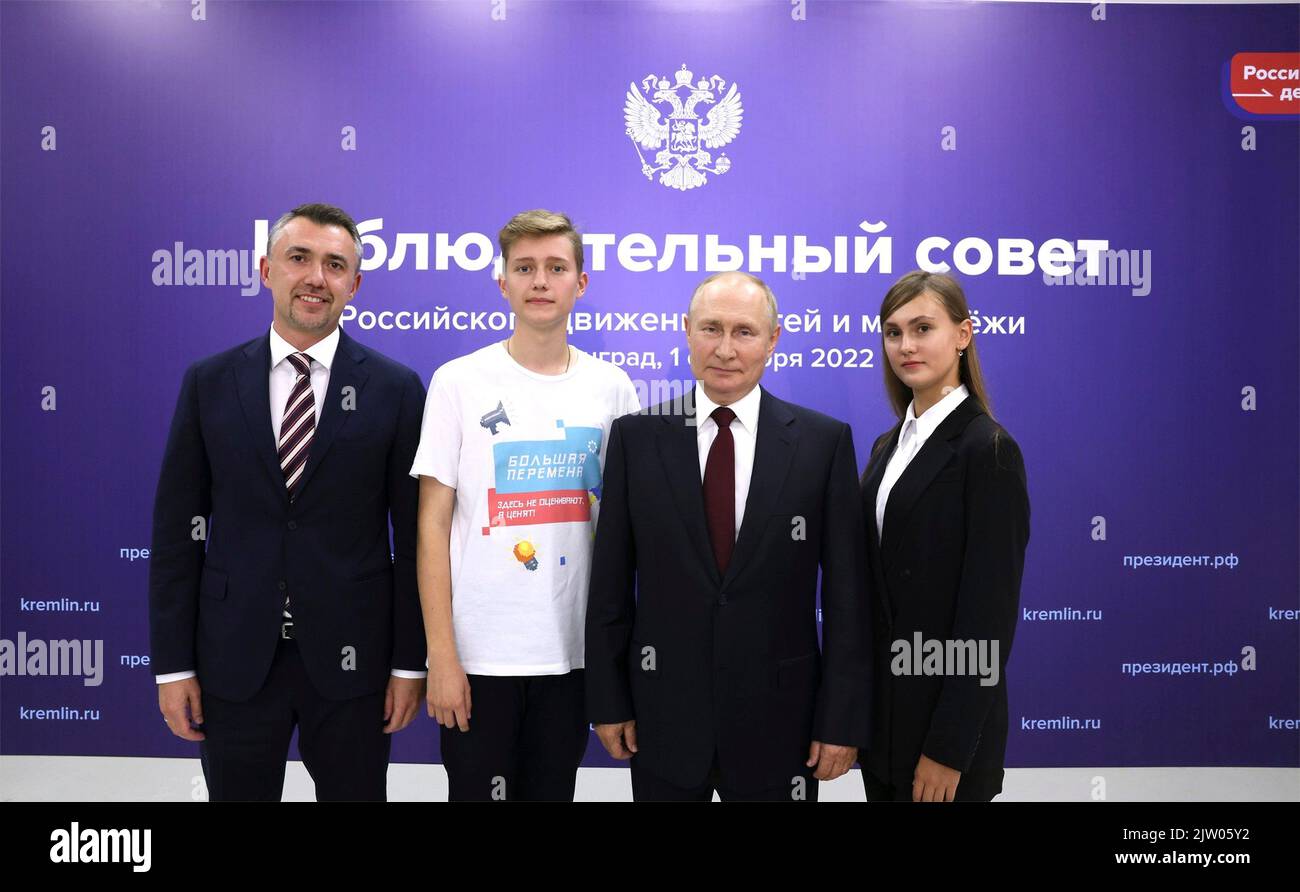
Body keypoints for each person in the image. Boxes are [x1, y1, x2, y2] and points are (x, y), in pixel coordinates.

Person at [149, 203, 428, 801]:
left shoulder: (396, 390)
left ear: (355, 284)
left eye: (335, 265)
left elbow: (415, 538)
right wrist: (174, 667)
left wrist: (410, 664)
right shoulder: (210, 382)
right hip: (234, 661)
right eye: (298, 258)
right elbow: (178, 532)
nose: (315, 278)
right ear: (265, 269)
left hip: (354, 666)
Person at [586, 271, 871, 802]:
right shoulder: (636, 438)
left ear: (773, 339)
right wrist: (608, 701)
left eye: (744, 332)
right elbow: (610, 587)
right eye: (710, 329)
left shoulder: (823, 443)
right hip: (662, 722)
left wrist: (841, 719)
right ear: (686, 331)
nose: (724, 349)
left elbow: (847, 599)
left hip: (783, 727)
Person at [412, 210, 640, 801]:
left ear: (580, 283)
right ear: (503, 283)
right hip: (478, 658)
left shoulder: (613, 388)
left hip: (570, 656)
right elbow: (431, 526)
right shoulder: (457, 382)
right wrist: (442, 655)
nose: (540, 281)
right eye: (525, 268)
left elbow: (624, 533)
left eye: (556, 267)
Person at [859, 270, 1030, 802]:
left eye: (922, 328)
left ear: (963, 334)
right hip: (885, 730)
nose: (905, 345)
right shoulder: (887, 446)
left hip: (944, 742)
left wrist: (950, 747)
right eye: (893, 332)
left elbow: (989, 615)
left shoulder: (989, 451)